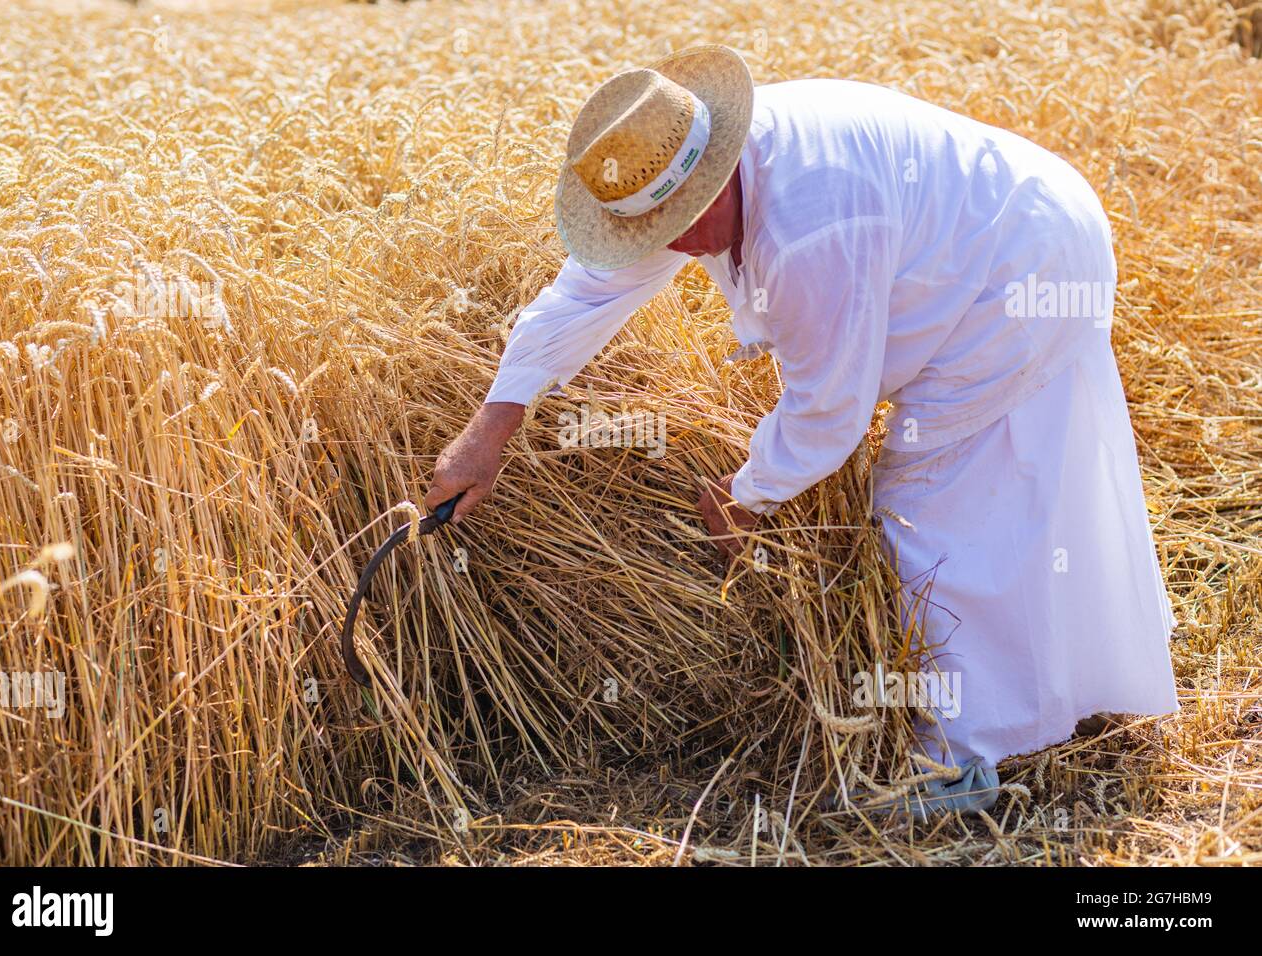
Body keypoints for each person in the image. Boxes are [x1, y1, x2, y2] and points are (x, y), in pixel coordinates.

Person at [424, 44, 1179, 813]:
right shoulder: (678, 167)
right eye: (652, 231)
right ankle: (1079, 665)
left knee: (929, 501)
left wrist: (748, 496)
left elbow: (831, 412)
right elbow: (584, 297)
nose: (674, 246)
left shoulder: (812, 223)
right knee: (1006, 483)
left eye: (679, 223)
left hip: (1024, 268)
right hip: (1013, 229)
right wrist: (491, 428)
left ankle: (959, 762)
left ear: (714, 171)